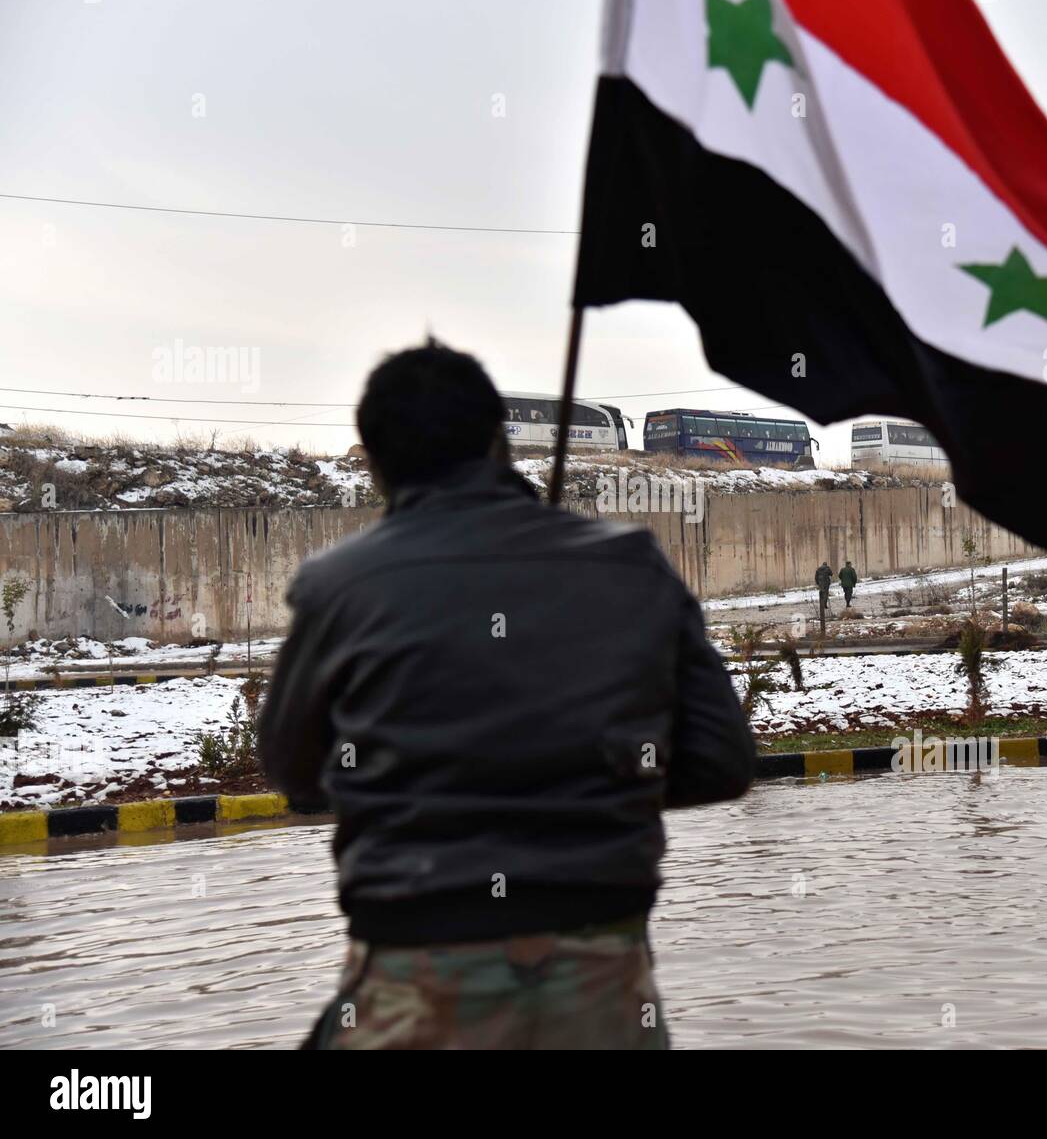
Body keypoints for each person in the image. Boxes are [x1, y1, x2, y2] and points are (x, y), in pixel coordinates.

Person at [257, 336, 754, 1051]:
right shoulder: (632, 565)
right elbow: (722, 762)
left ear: (375, 462)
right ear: (501, 442)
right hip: (604, 985)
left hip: (411, 975)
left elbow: (294, 772)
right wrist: (589, 784)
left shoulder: (341, 586)